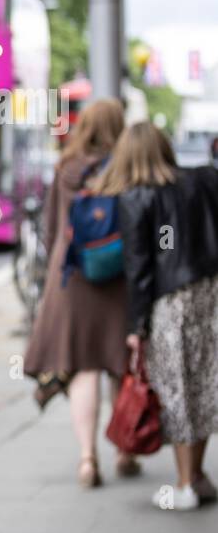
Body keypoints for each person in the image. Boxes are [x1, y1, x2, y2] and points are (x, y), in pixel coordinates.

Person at [101, 121, 218, 510]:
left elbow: (141, 267)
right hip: (211, 292)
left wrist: (137, 325)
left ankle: (184, 484)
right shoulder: (203, 180)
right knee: (203, 385)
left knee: (177, 390)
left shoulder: (137, 198)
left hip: (173, 302)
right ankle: (198, 476)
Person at [23, 97, 139, 487]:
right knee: (121, 364)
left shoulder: (65, 169)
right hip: (118, 276)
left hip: (72, 276)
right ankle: (125, 450)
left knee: (83, 366)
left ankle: (88, 459)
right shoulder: (128, 168)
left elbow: (52, 230)